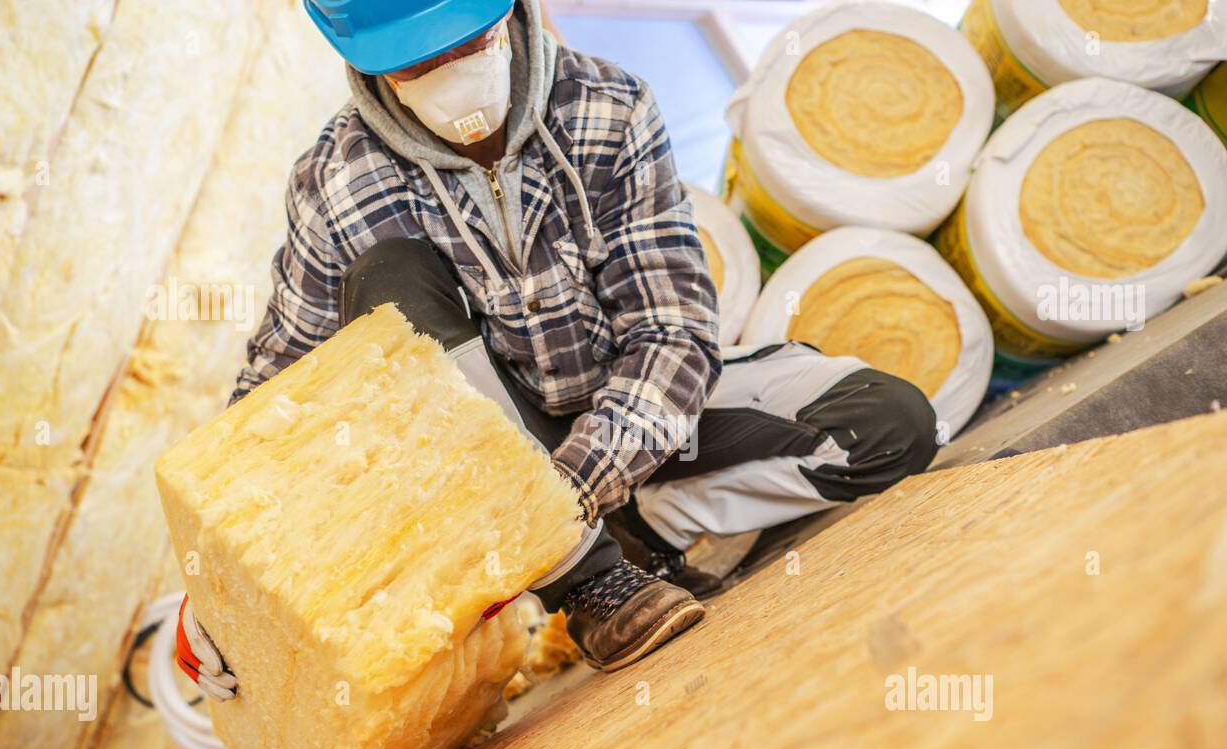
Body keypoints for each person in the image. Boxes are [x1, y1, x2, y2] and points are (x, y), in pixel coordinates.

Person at [175, 0, 937, 698]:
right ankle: (591, 581)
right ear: (366, 62)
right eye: (416, 62)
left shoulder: (607, 109)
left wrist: (571, 487)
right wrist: (223, 578)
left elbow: (671, 333)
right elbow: (280, 394)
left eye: (464, 41)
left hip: (624, 429)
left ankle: (639, 535)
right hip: (480, 468)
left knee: (890, 423)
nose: (449, 72)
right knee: (388, 278)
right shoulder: (338, 186)